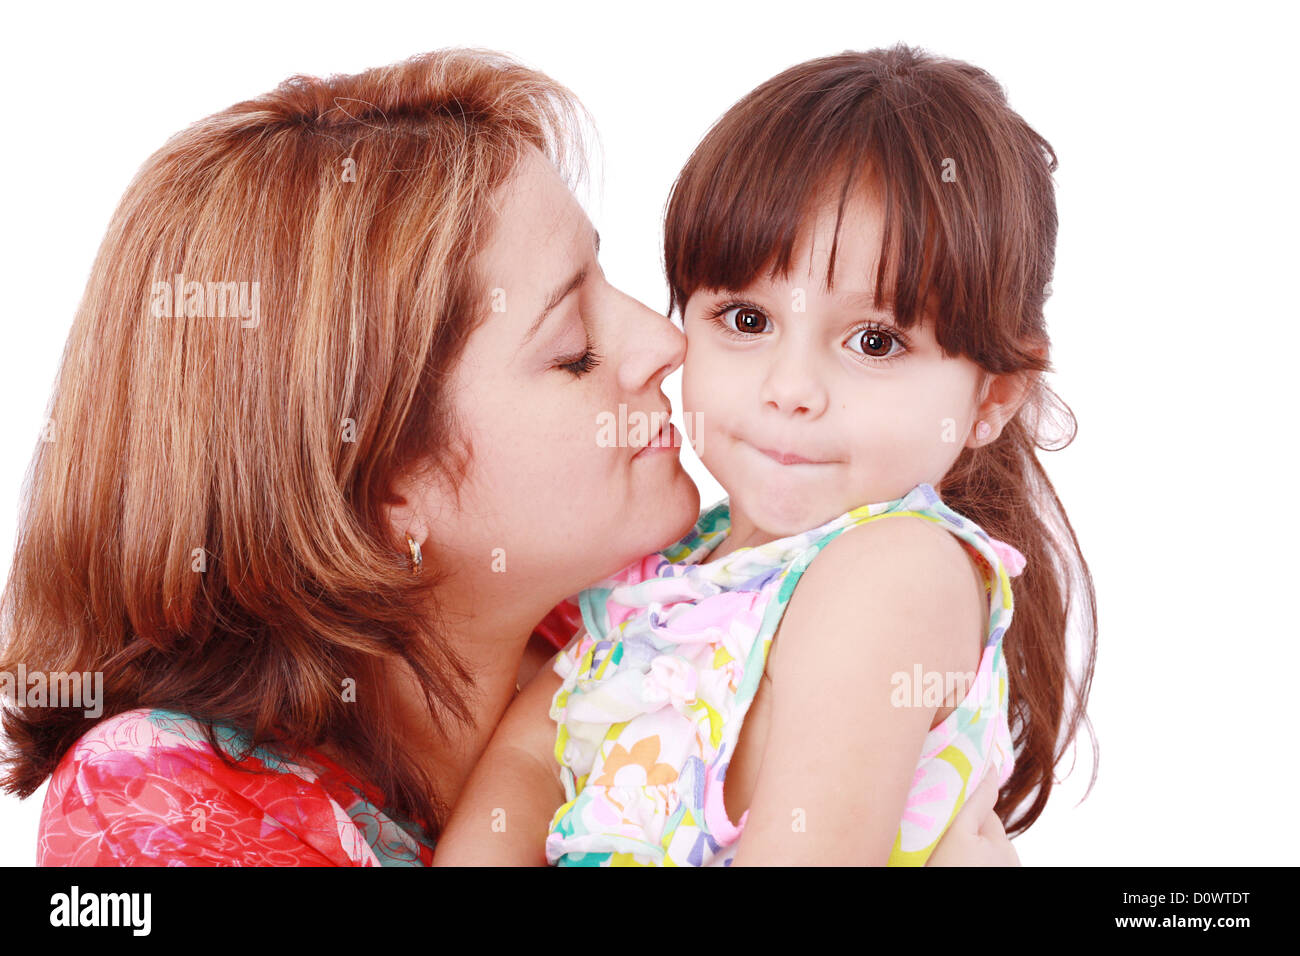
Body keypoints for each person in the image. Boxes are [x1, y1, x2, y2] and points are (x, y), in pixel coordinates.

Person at [0, 48, 1016, 866]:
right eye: (572, 349)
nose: (667, 345)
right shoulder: (158, 810)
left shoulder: (678, 606)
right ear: (380, 480)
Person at [433, 45, 1097, 867]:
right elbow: (530, 761)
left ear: (992, 399)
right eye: (747, 321)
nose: (791, 388)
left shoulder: (894, 571)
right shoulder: (667, 571)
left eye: (874, 340)